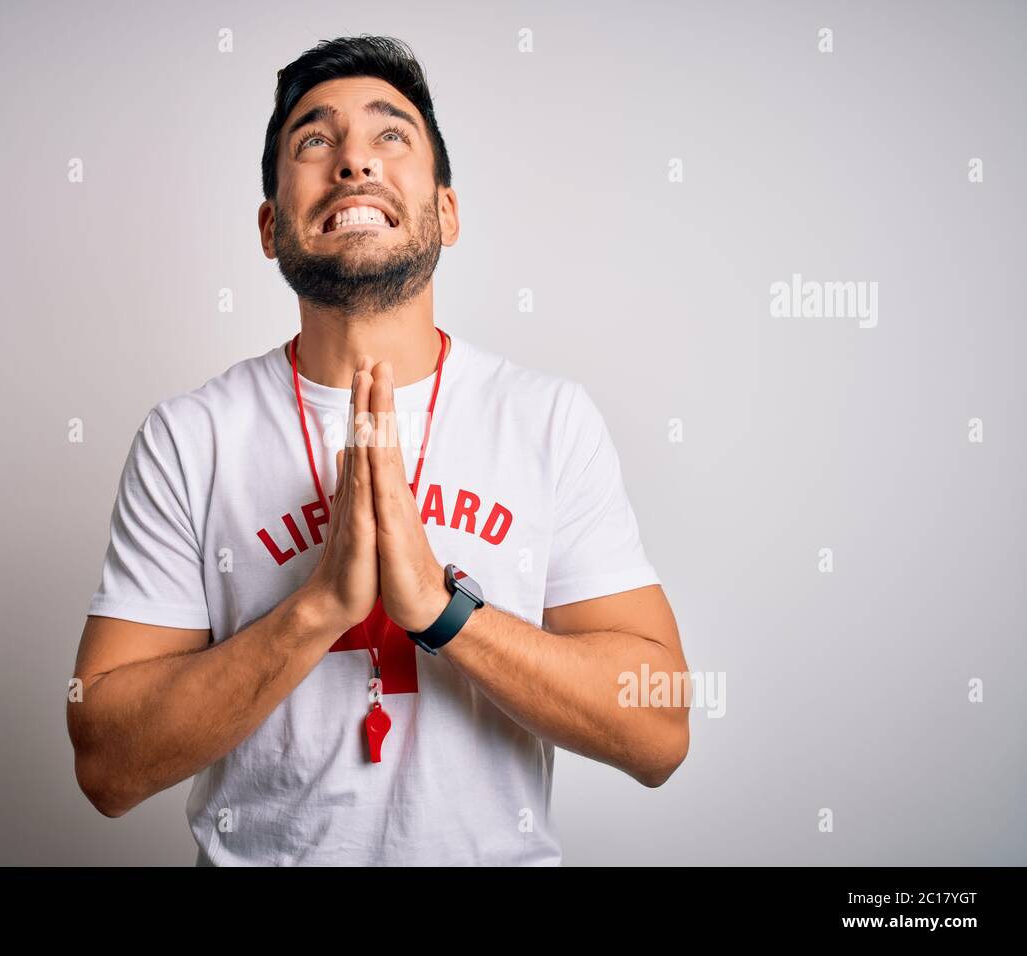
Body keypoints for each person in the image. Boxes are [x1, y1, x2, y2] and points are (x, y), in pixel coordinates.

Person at [67, 35, 689, 866]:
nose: (354, 162)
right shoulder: (191, 436)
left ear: (448, 211)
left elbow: (661, 729)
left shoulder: (547, 420)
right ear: (269, 226)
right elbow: (106, 764)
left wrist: (439, 609)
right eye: (314, 141)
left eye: (390, 135)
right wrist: (318, 606)